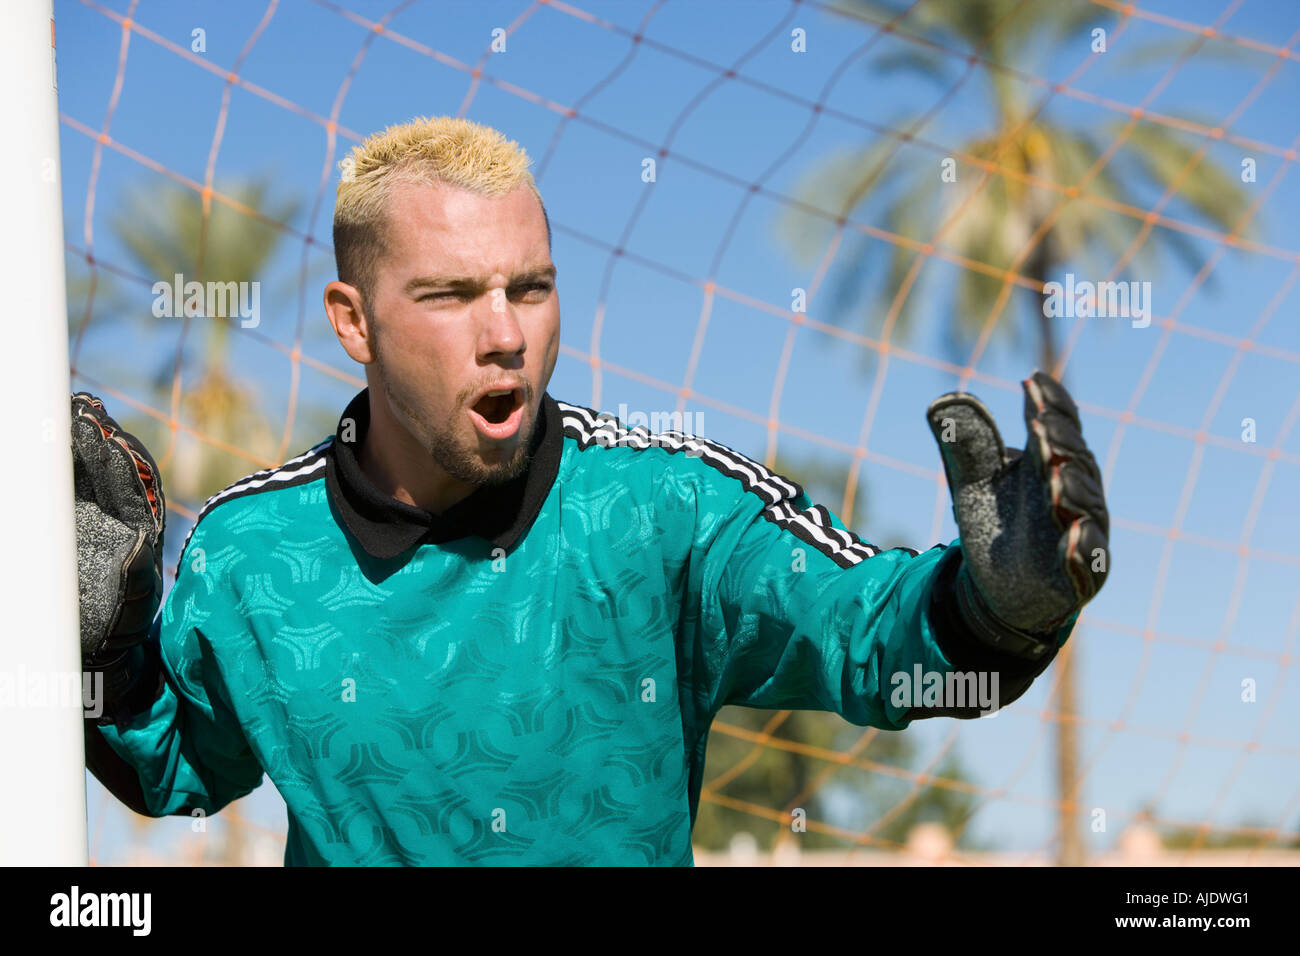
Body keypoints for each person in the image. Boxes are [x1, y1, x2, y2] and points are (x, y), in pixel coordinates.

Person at [75, 115, 1109, 866]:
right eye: (449, 293)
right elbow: (175, 764)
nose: (506, 331)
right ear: (353, 321)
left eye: (530, 286)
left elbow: (865, 629)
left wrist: (988, 612)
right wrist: (93, 651)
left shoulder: (662, 510)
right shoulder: (252, 550)